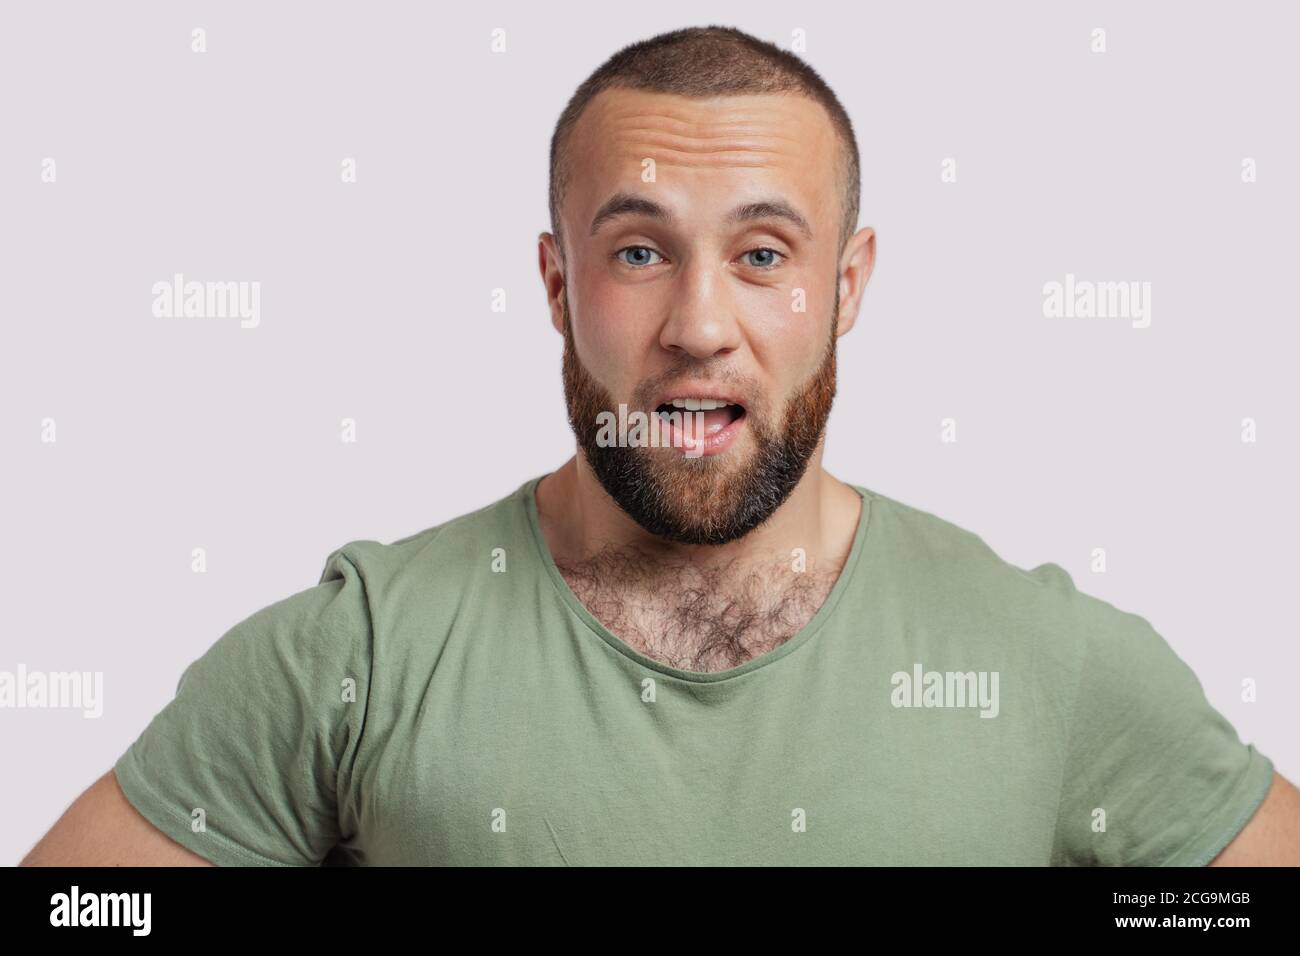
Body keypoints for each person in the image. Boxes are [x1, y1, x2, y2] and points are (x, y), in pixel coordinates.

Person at [22, 25, 1300, 867]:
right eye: (637, 250)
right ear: (555, 281)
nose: (699, 325)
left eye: (761, 256)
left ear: (846, 286)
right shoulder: (356, 653)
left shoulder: (1043, 661)